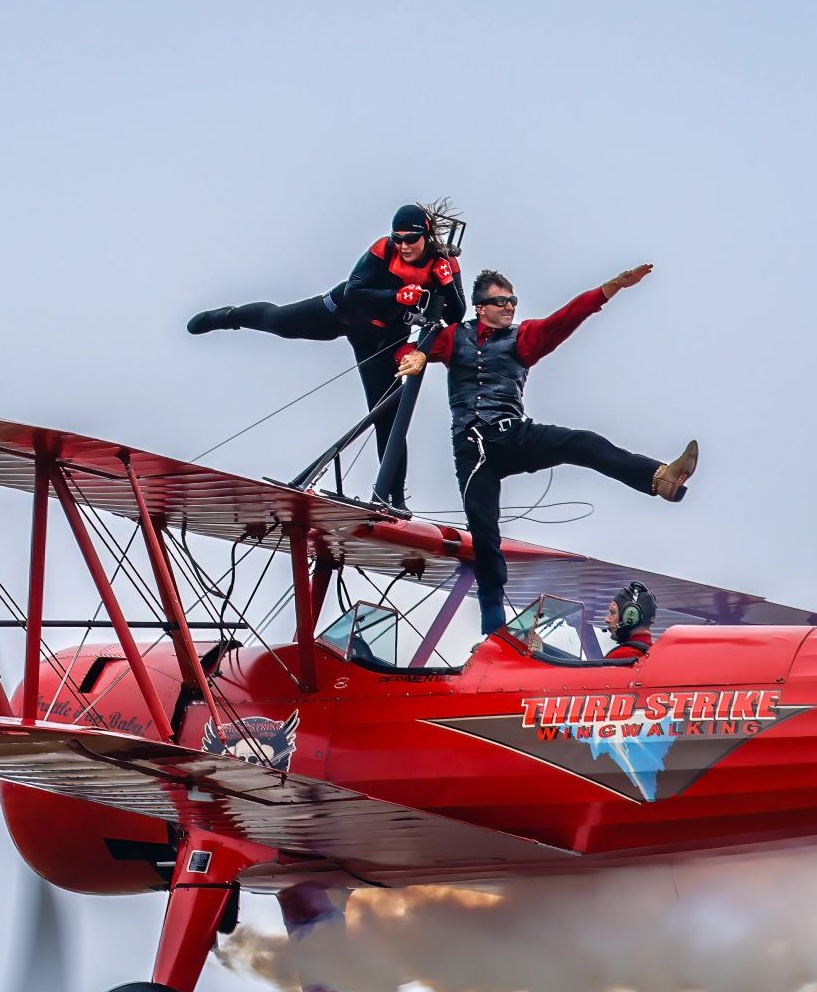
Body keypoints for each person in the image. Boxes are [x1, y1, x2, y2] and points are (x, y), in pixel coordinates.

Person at [396, 263, 698, 634]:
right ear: (480, 307)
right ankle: (494, 634)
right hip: (473, 452)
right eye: (501, 301)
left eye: (513, 301)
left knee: (583, 444)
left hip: (513, 437)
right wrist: (416, 356)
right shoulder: (454, 336)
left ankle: (659, 477)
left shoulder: (523, 338)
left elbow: (565, 319)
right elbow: (410, 350)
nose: (510, 307)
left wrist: (611, 287)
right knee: (485, 538)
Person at [187, 202, 465, 513]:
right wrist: (395, 296)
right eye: (397, 238)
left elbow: (456, 314)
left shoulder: (443, 265)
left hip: (379, 340)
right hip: (341, 314)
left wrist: (446, 284)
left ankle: (391, 497)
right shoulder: (383, 251)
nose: (403, 246)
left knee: (387, 413)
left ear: (426, 236)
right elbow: (354, 292)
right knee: (279, 322)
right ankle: (227, 316)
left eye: (410, 240)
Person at [604, 581, 657, 659]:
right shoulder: (657, 655)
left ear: (631, 617)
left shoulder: (620, 656)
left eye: (612, 612)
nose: (607, 619)